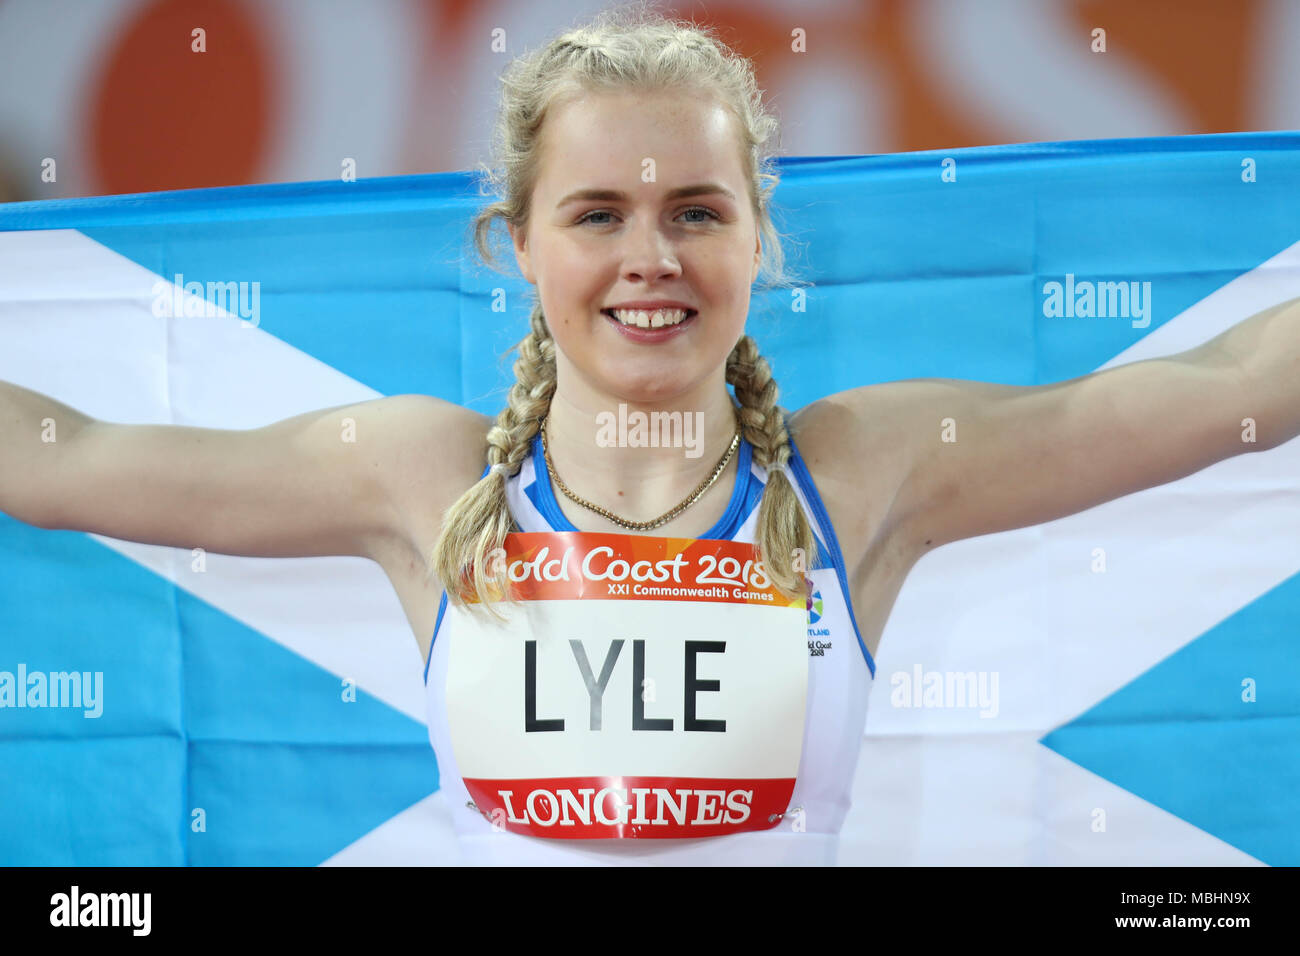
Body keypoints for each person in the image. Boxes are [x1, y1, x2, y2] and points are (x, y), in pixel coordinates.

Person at [1, 3, 1297, 866]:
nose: (649, 260)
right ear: (515, 246)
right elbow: (59, 462)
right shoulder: (419, 476)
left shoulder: (870, 472)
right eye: (597, 215)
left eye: (694, 211)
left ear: (758, 238)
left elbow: (1227, 385)